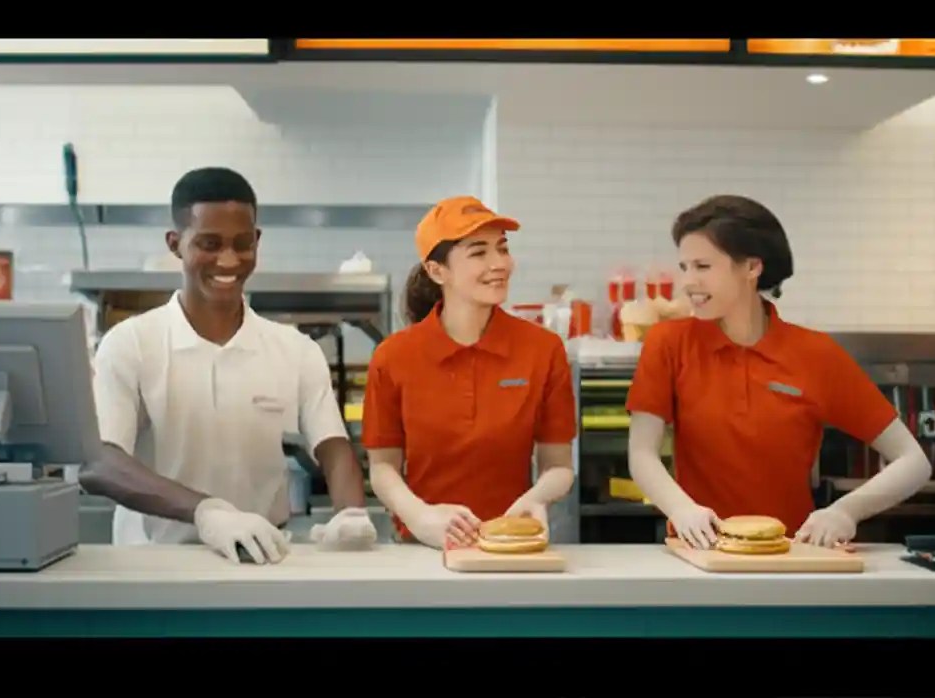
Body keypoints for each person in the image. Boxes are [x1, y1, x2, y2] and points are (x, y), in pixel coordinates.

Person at [81, 167, 375, 564]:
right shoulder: (132, 343)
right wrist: (207, 513)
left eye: (242, 244)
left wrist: (350, 513)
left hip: (260, 560)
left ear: (257, 241)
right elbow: (99, 462)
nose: (228, 259)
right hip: (152, 567)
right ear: (175, 243)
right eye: (209, 243)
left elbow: (334, 448)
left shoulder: (295, 350)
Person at [625, 195, 932, 549]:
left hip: (792, 554)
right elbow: (641, 454)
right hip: (700, 553)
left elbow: (914, 462)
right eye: (685, 268)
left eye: (703, 267)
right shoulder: (668, 343)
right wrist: (682, 510)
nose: (688, 282)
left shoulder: (816, 355)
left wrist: (845, 511)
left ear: (752, 268)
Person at [361, 196, 577, 549]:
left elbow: (559, 466)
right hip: (421, 548)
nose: (499, 264)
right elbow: (383, 467)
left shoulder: (543, 350)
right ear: (437, 271)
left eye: (502, 249)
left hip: (511, 546)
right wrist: (420, 517)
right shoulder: (394, 357)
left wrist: (537, 498)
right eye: (479, 253)